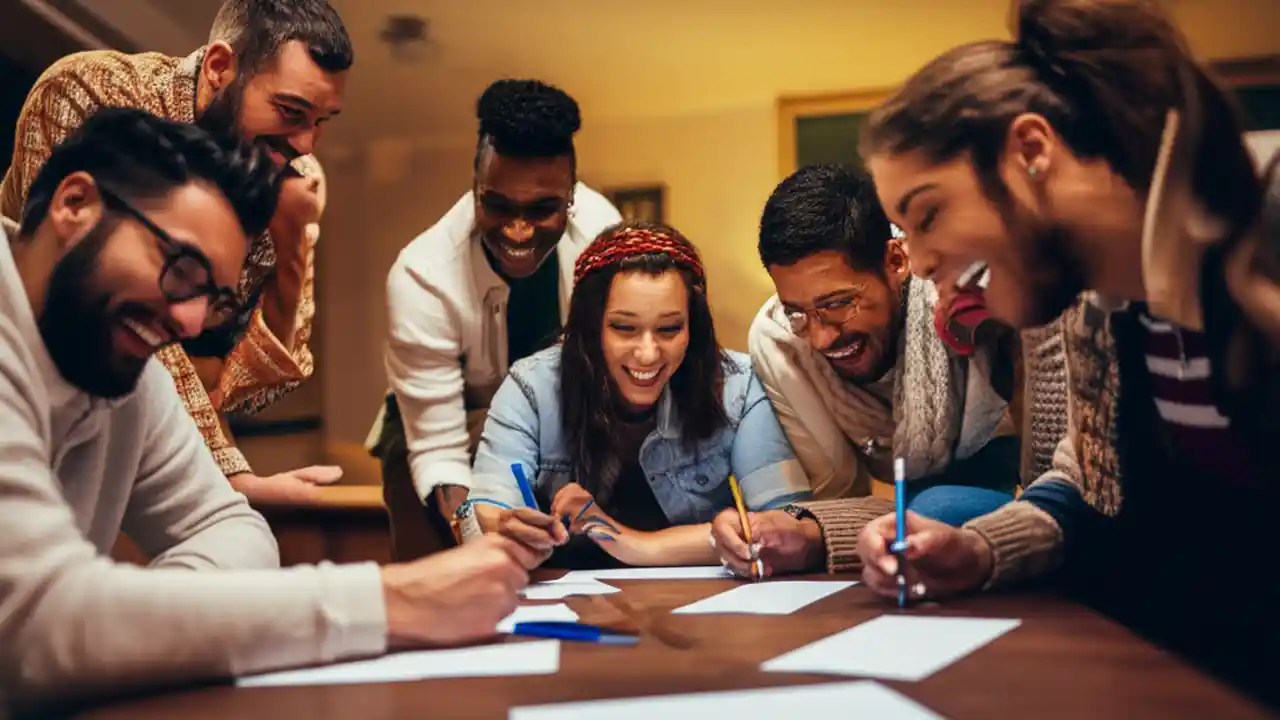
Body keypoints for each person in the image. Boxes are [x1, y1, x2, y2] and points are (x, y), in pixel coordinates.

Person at [0, 108, 537, 716]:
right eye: (183, 272)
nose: (191, 322)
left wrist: (128, 622)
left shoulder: (127, 367)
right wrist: (389, 601)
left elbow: (235, 530)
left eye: (213, 299)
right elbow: (36, 620)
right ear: (75, 205)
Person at [853, 0, 1278, 705]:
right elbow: (1093, 485)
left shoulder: (1254, 244)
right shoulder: (1102, 309)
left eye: (928, 214)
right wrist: (980, 551)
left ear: (1031, 150)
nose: (921, 264)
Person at [0, 0, 354, 505]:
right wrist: (228, 472)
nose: (305, 144)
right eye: (291, 112)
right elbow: (88, 302)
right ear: (218, 68)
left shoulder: (294, 178)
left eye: (322, 121)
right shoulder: (93, 94)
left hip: (131, 439)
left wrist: (292, 246)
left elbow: (252, 390)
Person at [710, 165, 1069, 578]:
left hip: (1020, 497)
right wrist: (800, 529)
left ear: (897, 260)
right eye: (798, 312)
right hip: (904, 516)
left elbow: (1056, 482)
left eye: (838, 303)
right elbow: (835, 500)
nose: (821, 339)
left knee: (939, 507)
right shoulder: (781, 343)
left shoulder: (966, 295)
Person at [370, 79, 621, 560]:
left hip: (563, 418)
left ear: (571, 195)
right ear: (475, 188)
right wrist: (477, 535)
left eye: (543, 209)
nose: (519, 230)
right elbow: (439, 451)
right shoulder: (422, 276)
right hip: (448, 429)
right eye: (499, 205)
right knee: (444, 577)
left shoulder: (602, 240)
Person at [464, 222, 812, 569]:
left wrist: (626, 541)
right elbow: (487, 512)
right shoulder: (532, 386)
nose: (648, 354)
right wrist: (507, 530)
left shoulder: (739, 387)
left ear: (694, 325)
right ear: (590, 326)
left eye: (669, 329)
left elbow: (786, 528)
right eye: (624, 328)